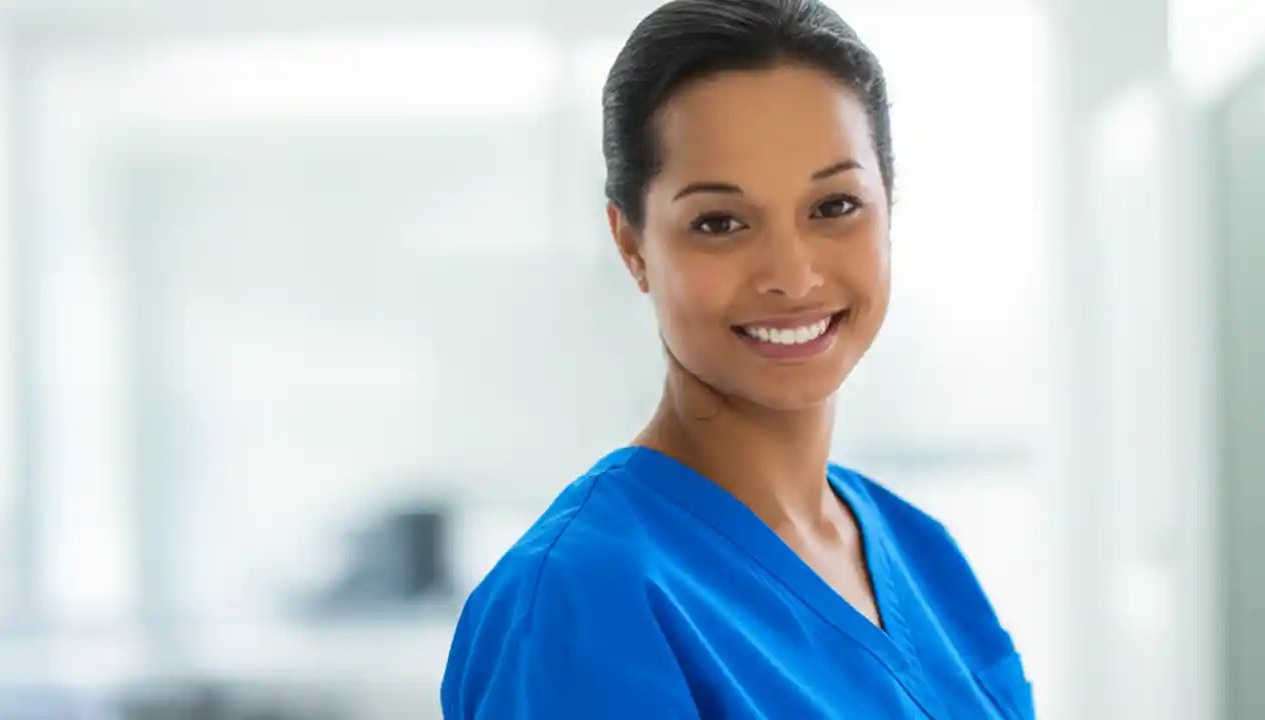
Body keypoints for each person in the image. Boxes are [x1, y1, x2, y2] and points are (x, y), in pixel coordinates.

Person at [440, 0, 1034, 717]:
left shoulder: (919, 552)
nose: (790, 274)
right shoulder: (581, 602)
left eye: (834, 206)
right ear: (632, 246)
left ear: (890, 203)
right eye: (719, 222)